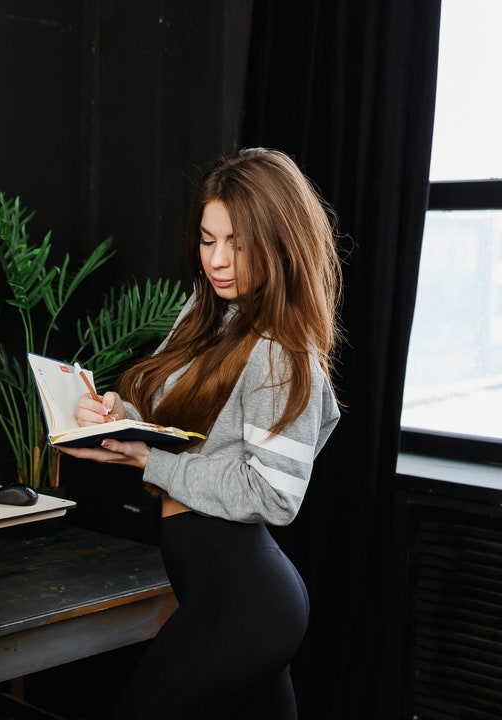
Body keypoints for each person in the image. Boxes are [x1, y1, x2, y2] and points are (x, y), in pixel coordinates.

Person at [59, 147, 342, 719]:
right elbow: (178, 415)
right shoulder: (209, 313)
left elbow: (275, 494)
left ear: (280, 242)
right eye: (208, 239)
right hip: (219, 589)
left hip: (245, 600)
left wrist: (147, 461)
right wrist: (120, 411)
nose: (217, 260)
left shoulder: (281, 352)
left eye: (237, 243)